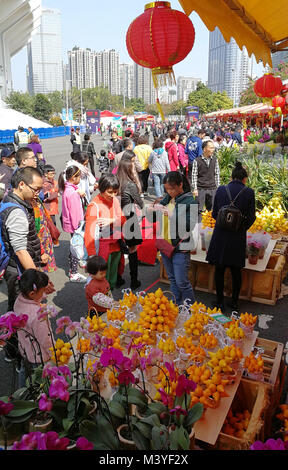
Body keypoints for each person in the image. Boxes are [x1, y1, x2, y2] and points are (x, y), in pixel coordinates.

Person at [0, 167, 54, 363]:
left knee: (17, 312)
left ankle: (17, 351)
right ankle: (20, 356)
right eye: (36, 189)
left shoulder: (9, 200)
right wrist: (39, 279)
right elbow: (21, 250)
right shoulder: (16, 211)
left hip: (16, 267)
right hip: (19, 270)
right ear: (21, 184)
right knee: (22, 317)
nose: (37, 194)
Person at [206, 161, 256, 312]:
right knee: (236, 271)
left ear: (231, 177)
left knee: (219, 269)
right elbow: (252, 217)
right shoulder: (248, 192)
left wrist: (223, 224)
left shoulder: (221, 190)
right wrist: (241, 228)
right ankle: (234, 302)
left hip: (220, 235)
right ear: (244, 179)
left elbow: (214, 213)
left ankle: (220, 301)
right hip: (237, 236)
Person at [152, 171, 197, 305]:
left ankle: (190, 309)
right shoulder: (169, 197)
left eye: (171, 188)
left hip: (180, 247)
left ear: (180, 185)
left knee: (182, 282)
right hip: (166, 245)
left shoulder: (190, 201)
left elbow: (191, 224)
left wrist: (173, 215)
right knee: (172, 279)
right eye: (167, 189)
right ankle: (176, 305)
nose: (169, 191)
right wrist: (156, 207)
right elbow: (161, 203)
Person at [84, 174, 126, 290]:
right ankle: (102, 301)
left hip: (116, 243)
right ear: (101, 189)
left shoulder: (115, 201)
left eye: (115, 192)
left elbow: (123, 219)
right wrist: (92, 255)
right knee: (101, 277)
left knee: (113, 274)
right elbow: (89, 232)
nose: (113, 195)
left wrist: (111, 220)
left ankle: (110, 297)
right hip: (102, 247)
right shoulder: (94, 205)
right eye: (110, 192)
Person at [14, 269, 54, 387]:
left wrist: (43, 293)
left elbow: (35, 297)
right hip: (40, 356)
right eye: (42, 291)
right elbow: (45, 339)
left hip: (25, 349)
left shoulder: (19, 301)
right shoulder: (37, 315)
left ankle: (22, 394)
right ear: (32, 293)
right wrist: (54, 353)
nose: (43, 295)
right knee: (41, 381)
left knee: (25, 372)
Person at [117, 158, 144, 290]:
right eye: (133, 168)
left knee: (118, 249)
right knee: (132, 249)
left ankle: (117, 278)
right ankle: (134, 280)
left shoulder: (116, 181)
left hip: (115, 218)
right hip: (129, 218)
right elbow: (140, 203)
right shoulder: (130, 185)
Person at [58, 166, 86, 282]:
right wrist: (78, 227)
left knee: (73, 247)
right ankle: (73, 273)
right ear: (74, 178)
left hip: (70, 224)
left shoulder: (67, 189)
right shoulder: (73, 193)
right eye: (79, 177)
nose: (80, 179)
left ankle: (73, 269)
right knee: (75, 248)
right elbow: (75, 213)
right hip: (75, 225)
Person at [191, 140, 220, 217]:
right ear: (204, 149)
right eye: (211, 148)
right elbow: (194, 175)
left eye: (213, 148)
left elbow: (217, 174)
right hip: (201, 189)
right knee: (199, 210)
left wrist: (218, 188)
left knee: (212, 210)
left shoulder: (215, 160)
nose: (213, 150)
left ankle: (210, 226)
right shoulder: (197, 161)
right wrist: (195, 189)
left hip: (212, 188)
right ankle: (198, 226)